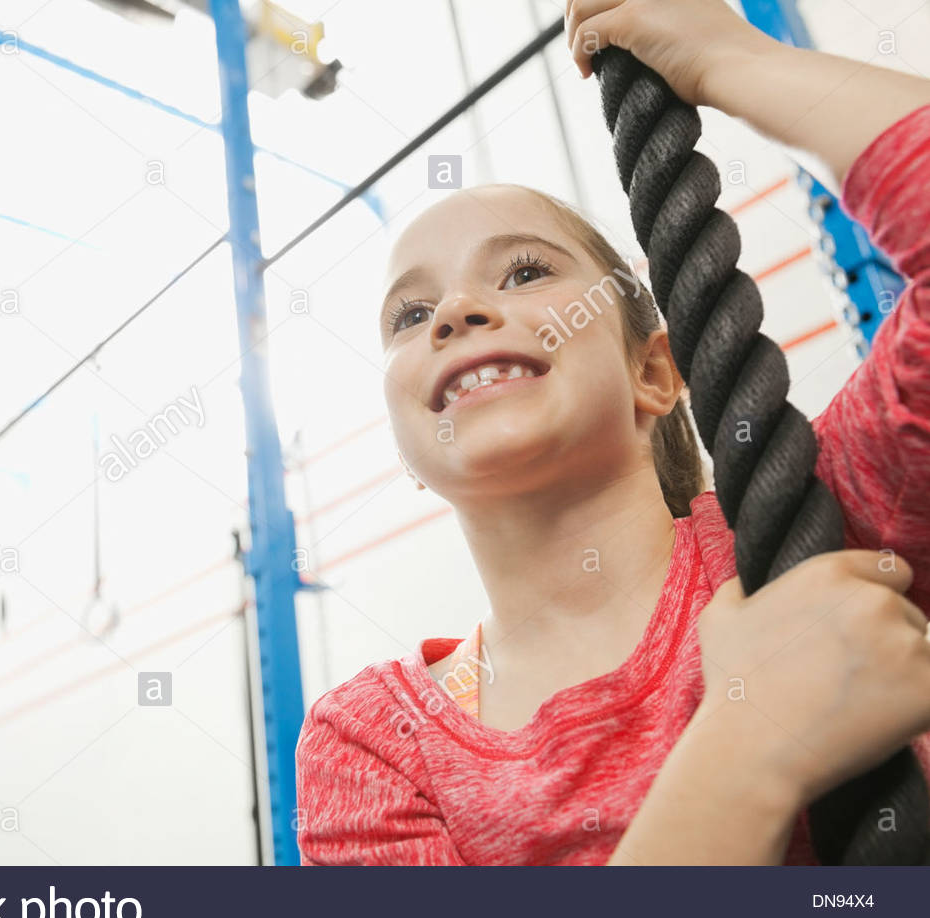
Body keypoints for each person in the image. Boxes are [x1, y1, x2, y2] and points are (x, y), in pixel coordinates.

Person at [293, 0, 930, 865]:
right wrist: (747, 745)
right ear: (408, 451)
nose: (454, 312)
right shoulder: (371, 744)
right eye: (411, 314)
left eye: (524, 271)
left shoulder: (816, 515)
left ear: (655, 374)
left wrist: (732, 61)